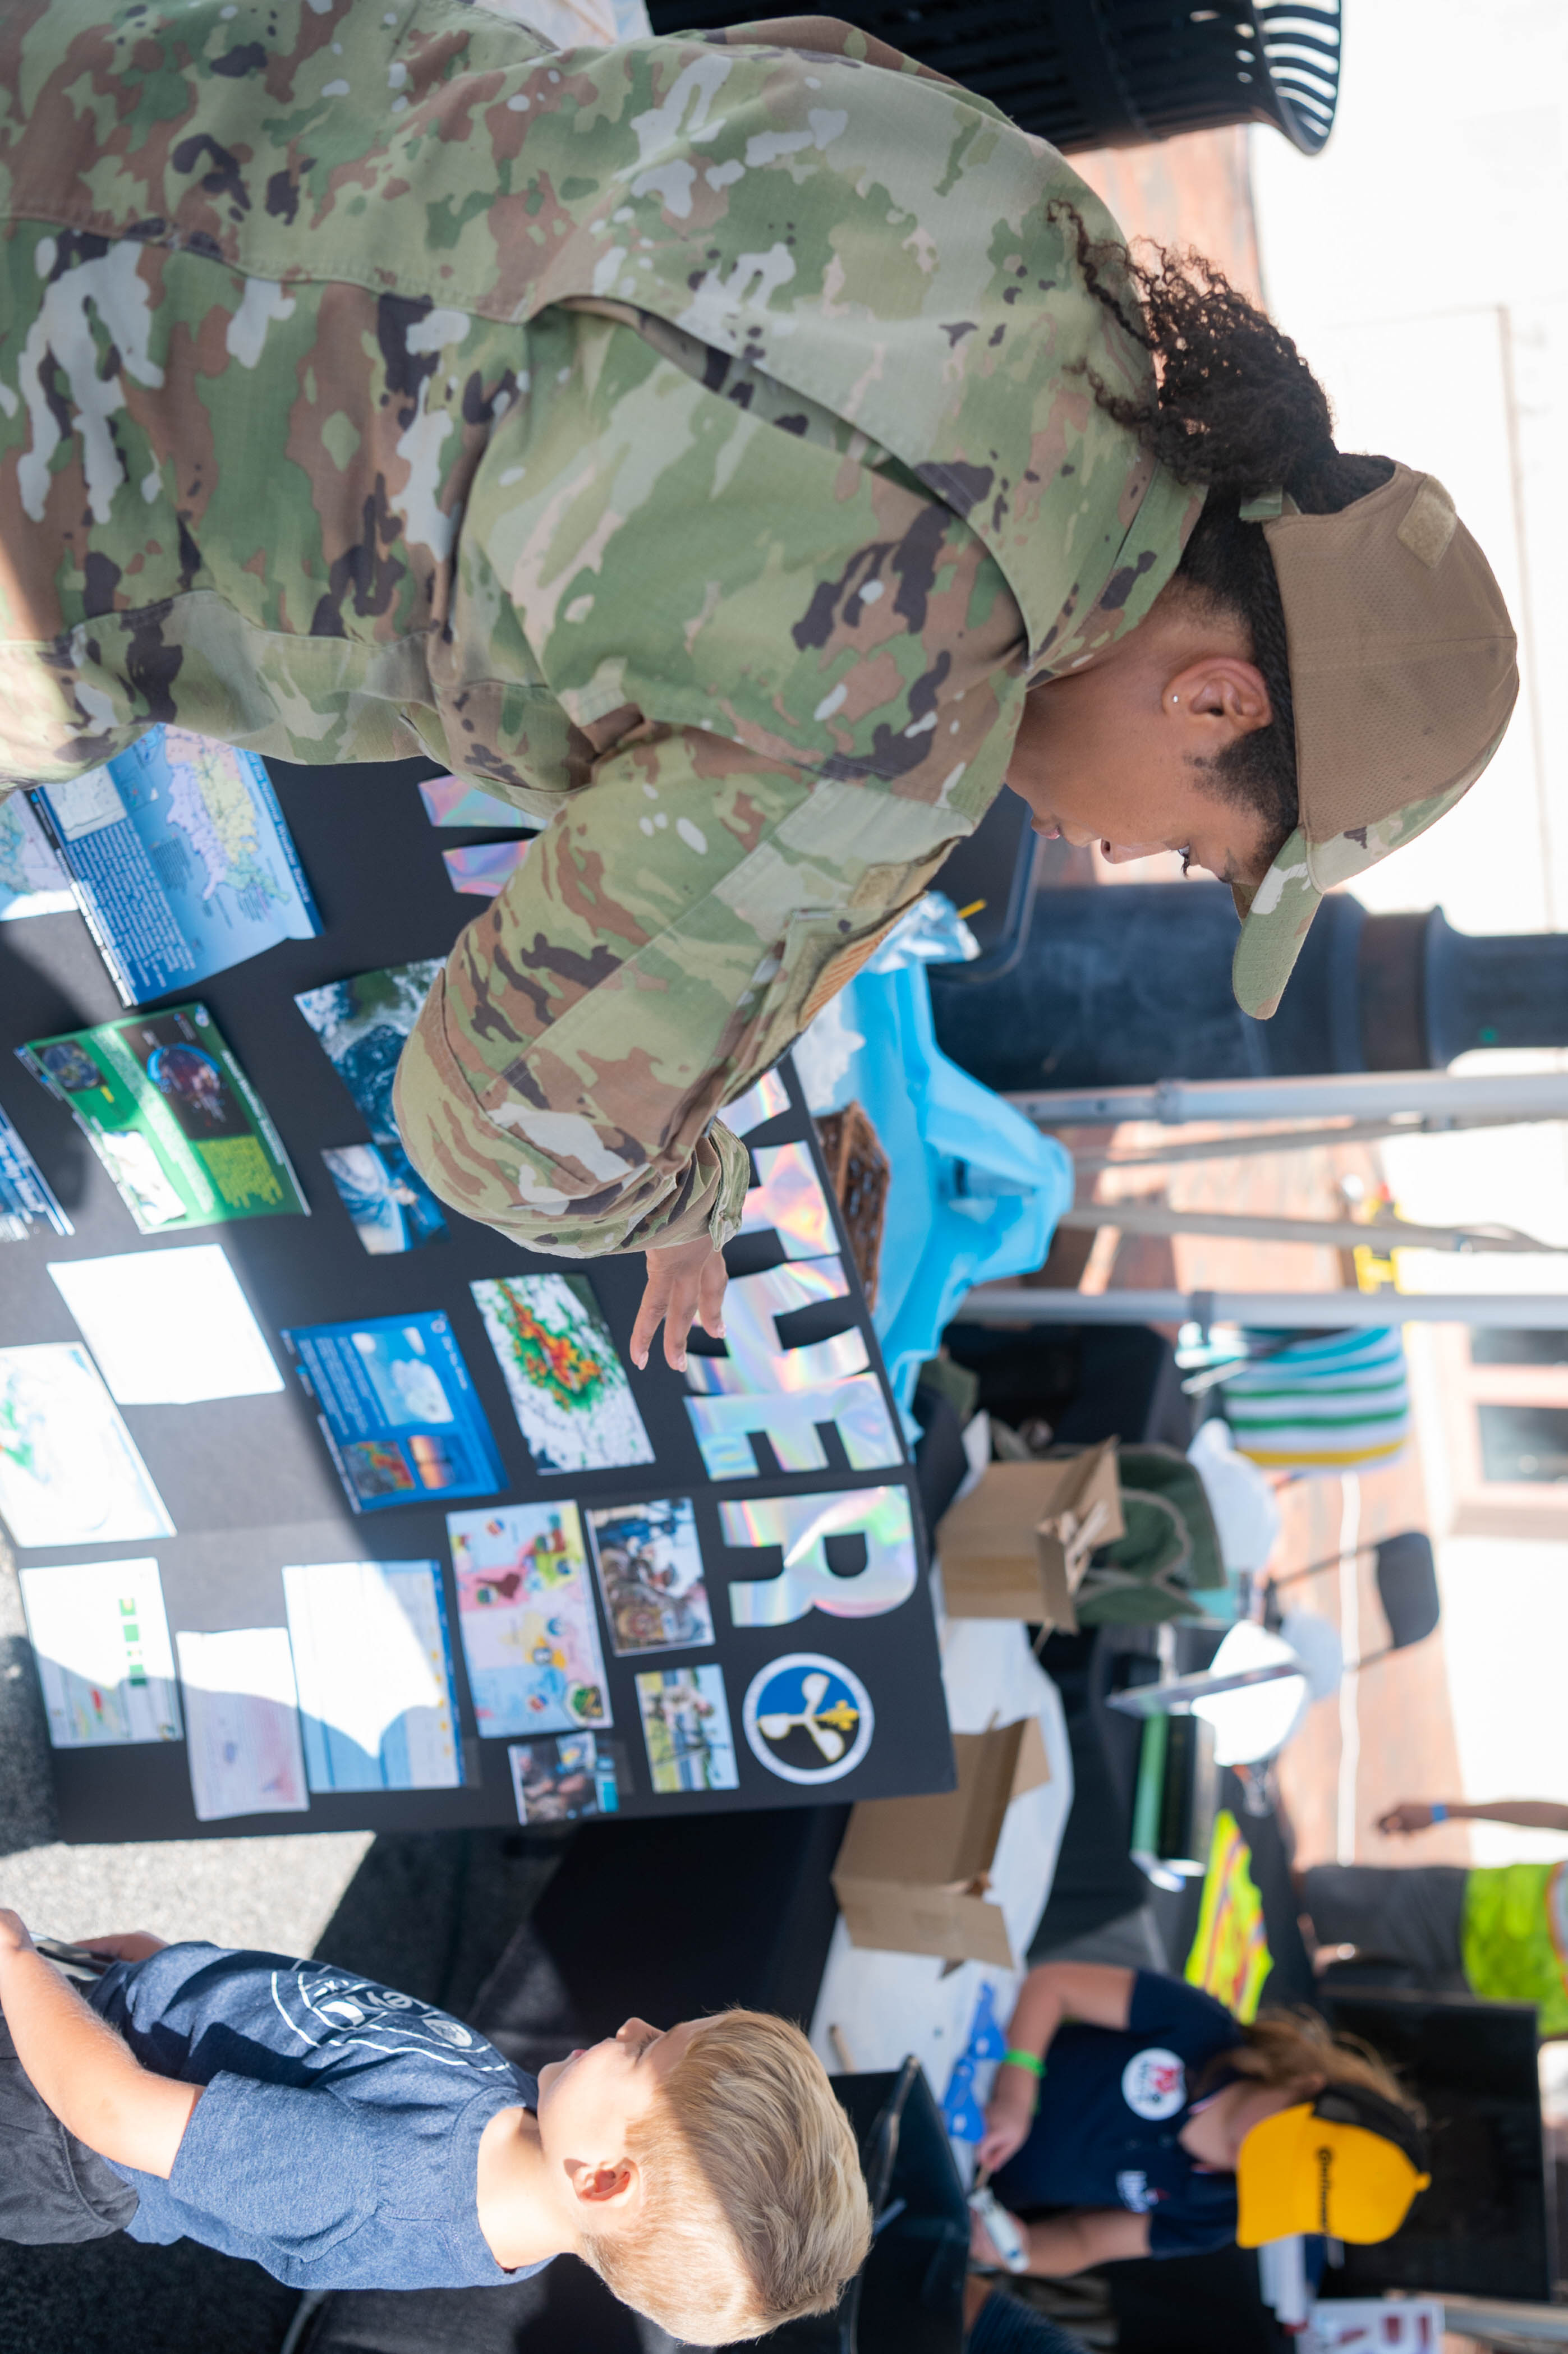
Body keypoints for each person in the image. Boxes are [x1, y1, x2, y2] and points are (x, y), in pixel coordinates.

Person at [1, 6, 1519, 1371]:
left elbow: (739, 62)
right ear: (1215, 705)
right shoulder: (904, 730)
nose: (1113, 858)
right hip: (63, 501)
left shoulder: (1031, 216)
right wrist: (691, 1196)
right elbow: (497, 1127)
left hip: (99, 90)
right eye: (1194, 846)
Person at [0, 1910, 870, 2342]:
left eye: (647, 2053)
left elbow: (110, 2110)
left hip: (44, 2119)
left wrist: (14, 1961)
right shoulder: (519, 2116)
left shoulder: (381, 2178)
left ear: (602, 2177)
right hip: (99, 2028)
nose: (635, 2024)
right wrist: (173, 1973)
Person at [967, 1961, 1427, 2275]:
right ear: (1305, 2087)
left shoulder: (1215, 2214)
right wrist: (1016, 2088)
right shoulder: (1200, 2028)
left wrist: (1019, 2250)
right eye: (1273, 2148)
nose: (1250, 2163)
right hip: (967, 2053)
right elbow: (1053, 1986)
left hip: (965, 2170)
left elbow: (1085, 2241)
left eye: (1272, 2185)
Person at [1300, 1796, 1568, 2033]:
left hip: (1502, 1998)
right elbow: (1560, 1816)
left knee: (1320, 2007)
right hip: (1477, 1903)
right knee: (1316, 1895)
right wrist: (1442, 1811)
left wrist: (1518, 2046)